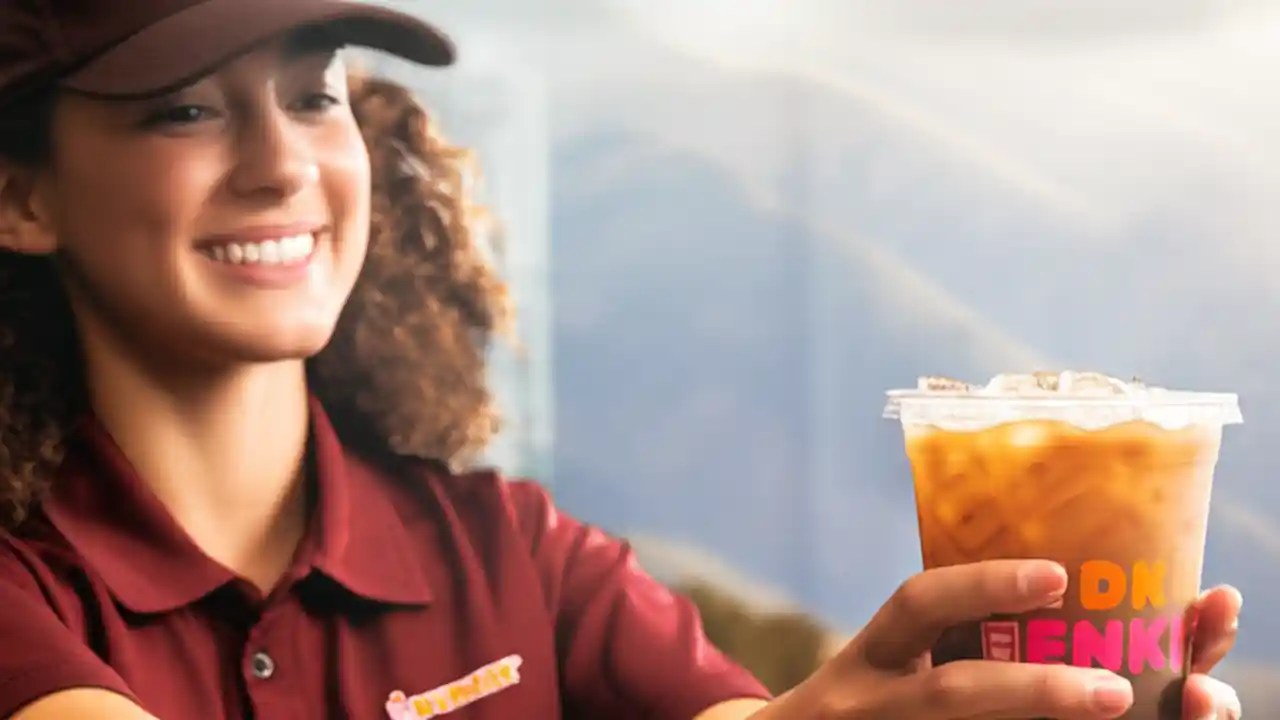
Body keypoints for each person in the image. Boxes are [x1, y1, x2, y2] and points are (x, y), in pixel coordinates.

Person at [0, 1, 1245, 718]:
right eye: (185, 108)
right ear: (20, 196)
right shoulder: (25, 599)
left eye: (313, 94)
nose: (282, 164)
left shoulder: (518, 555)